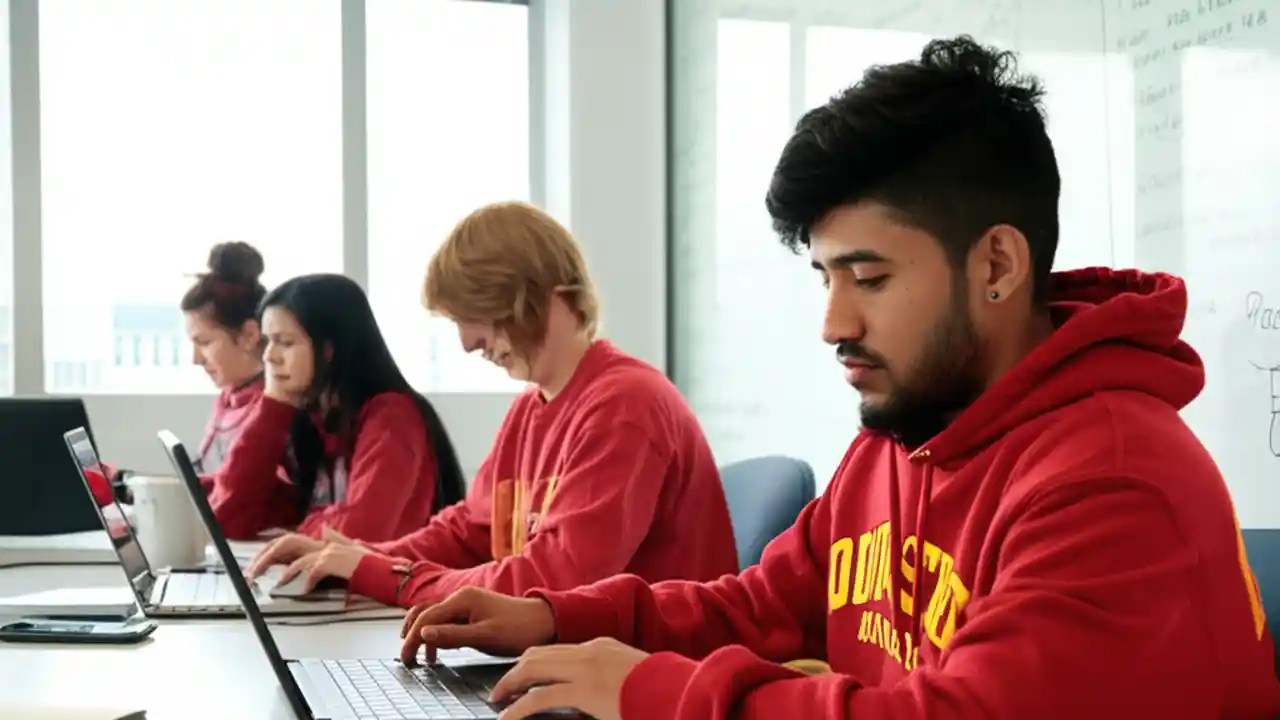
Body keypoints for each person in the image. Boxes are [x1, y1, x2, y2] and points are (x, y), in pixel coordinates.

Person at [398, 36, 1280, 719]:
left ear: (999, 266)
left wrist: (648, 692)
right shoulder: (905, 433)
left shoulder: (1115, 485)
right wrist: (559, 619)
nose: (834, 323)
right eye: (826, 278)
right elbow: (760, 605)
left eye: (870, 278)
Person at [247, 201, 738, 604]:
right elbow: (469, 532)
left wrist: (388, 575)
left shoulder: (626, 404)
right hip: (573, 662)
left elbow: (555, 580)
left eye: (475, 316)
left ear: (534, 295)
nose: (467, 343)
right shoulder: (532, 409)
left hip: (641, 679)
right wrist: (357, 557)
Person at [209, 273, 467, 549]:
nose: (269, 357)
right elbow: (227, 517)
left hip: (389, 587)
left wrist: (299, 531)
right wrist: (273, 406)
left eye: (285, 342)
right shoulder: (309, 419)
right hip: (334, 584)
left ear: (330, 349)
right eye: (267, 342)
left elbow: (360, 532)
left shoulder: (391, 417)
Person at [88, 241, 268, 507]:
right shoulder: (229, 399)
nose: (196, 359)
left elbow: (237, 497)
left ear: (250, 335)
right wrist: (126, 482)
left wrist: (130, 486)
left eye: (205, 343)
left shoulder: (271, 414)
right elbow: (209, 484)